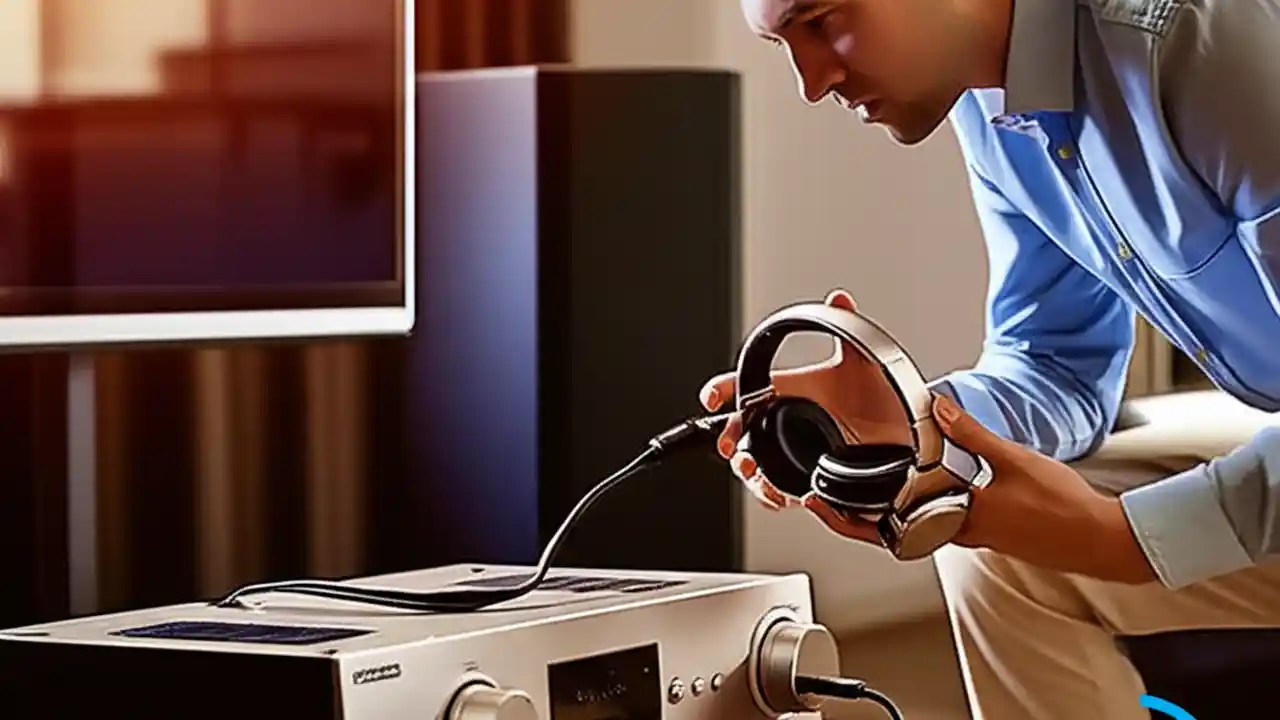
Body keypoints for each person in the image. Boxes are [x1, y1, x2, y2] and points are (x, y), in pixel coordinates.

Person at [700, 0, 1280, 717]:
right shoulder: (992, 102)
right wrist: (920, 418)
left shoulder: (1202, 38)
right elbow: (1056, 362)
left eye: (821, 20)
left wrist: (1122, 539)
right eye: (781, 43)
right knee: (985, 539)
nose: (813, 82)